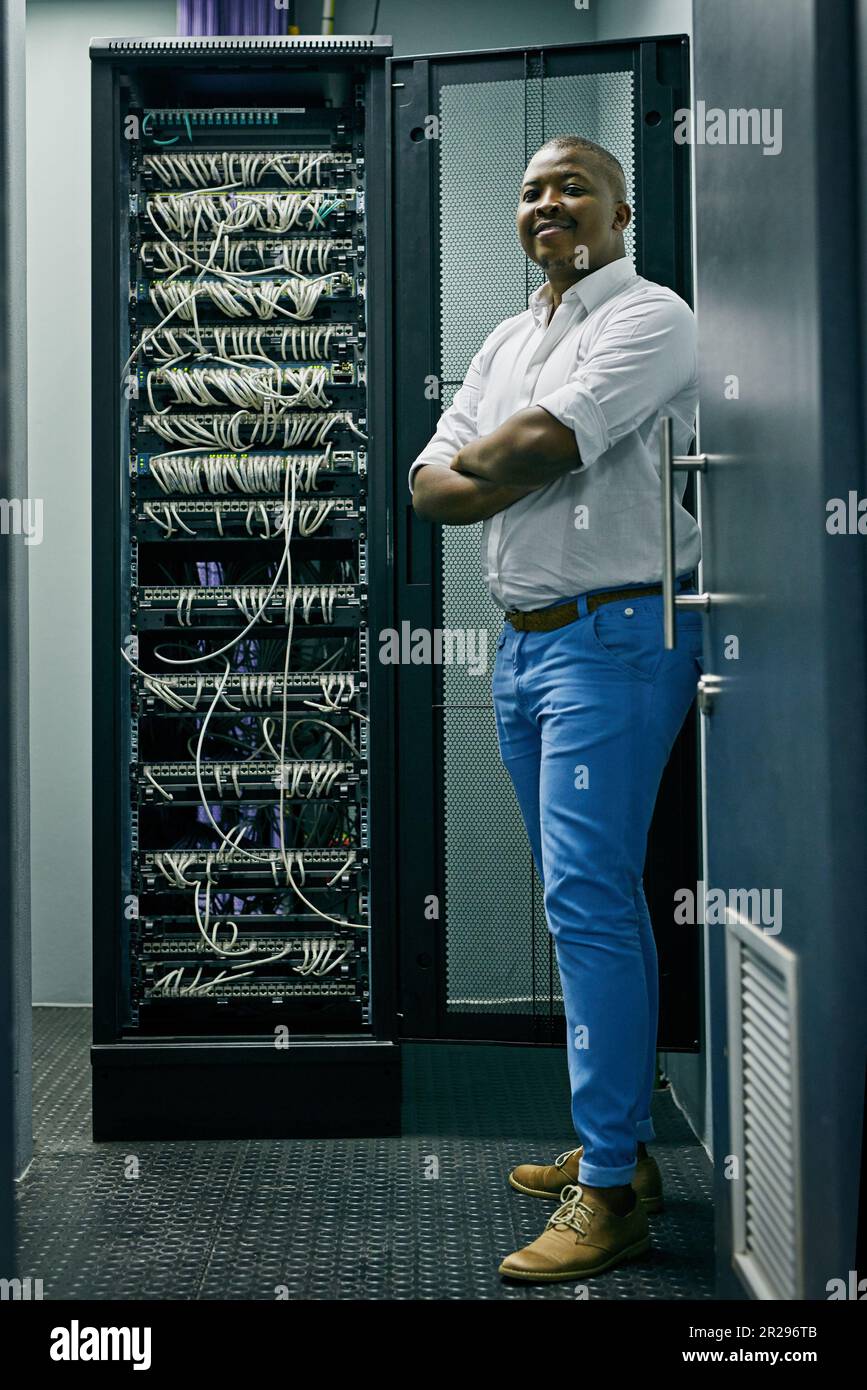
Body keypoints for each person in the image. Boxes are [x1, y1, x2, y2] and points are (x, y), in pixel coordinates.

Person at [408, 134, 704, 1281]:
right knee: (582, 904)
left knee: (587, 902)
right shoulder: (505, 337)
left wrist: (503, 460)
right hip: (525, 654)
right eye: (532, 189)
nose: (549, 203)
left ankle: (609, 1185)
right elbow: (432, 488)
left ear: (619, 213)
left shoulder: (653, 318)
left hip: (617, 641)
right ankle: (615, 1153)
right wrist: (502, 463)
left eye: (574, 186)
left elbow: (543, 441)